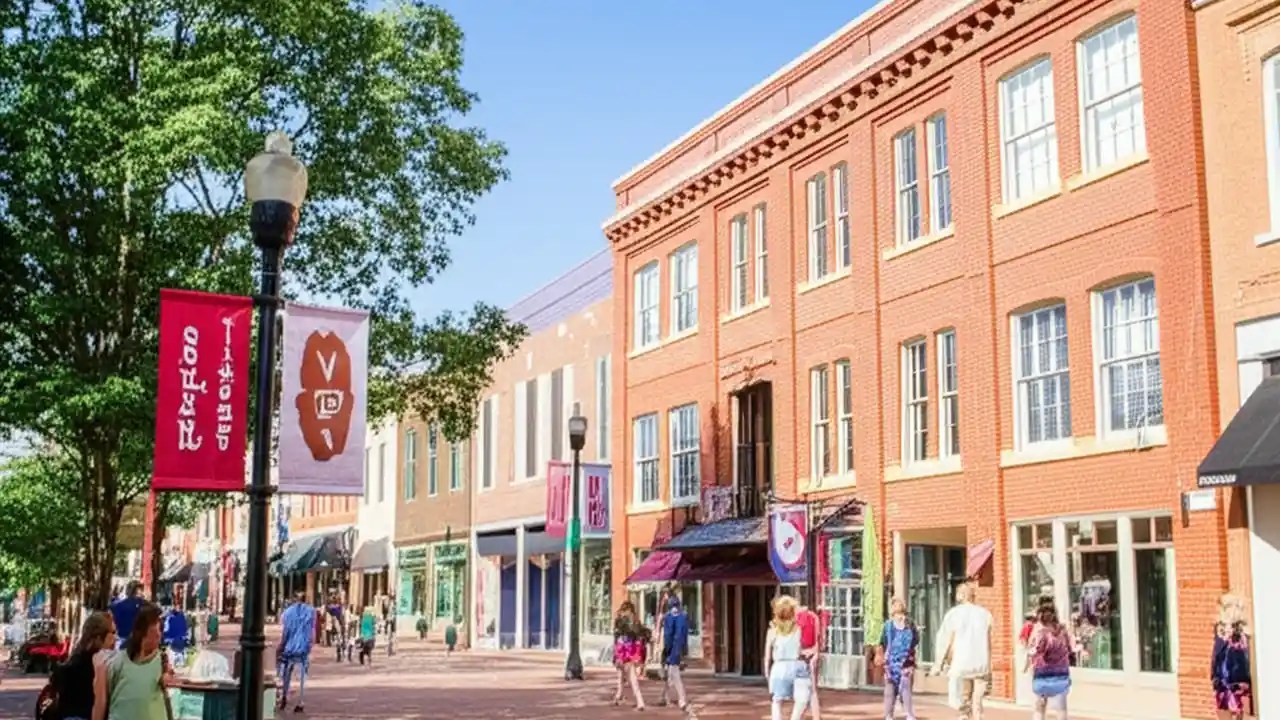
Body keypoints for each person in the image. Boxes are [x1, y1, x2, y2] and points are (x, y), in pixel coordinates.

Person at [93, 602, 175, 720]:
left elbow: (168, 678)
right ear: (142, 631)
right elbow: (101, 700)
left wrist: (167, 677)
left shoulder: (162, 660)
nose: (159, 634)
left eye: (159, 629)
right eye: (155, 628)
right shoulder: (117, 661)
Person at [931, 581, 993, 720]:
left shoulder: (953, 614)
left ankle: (964, 715)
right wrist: (990, 666)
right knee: (977, 703)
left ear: (961, 596)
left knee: (964, 701)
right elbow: (989, 642)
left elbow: (945, 639)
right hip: (981, 663)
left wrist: (938, 664)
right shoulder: (985, 614)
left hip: (961, 663)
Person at [46, 612, 116, 720]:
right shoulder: (101, 664)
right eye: (113, 632)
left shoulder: (72, 662)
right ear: (98, 637)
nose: (116, 637)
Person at [1025, 598, 1075, 720]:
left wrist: (1027, 664)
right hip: (1061, 672)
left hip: (1042, 672)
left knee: (1039, 707)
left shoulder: (1038, 630)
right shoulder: (1063, 630)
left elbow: (1033, 650)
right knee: (1061, 708)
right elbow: (1070, 648)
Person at [765, 595, 811, 720]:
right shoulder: (799, 629)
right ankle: (795, 718)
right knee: (802, 699)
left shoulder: (772, 631)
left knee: (776, 701)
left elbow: (767, 657)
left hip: (779, 668)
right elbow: (801, 648)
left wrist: (767, 674)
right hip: (797, 665)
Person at [1212, 595, 1252, 720]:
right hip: (1241, 677)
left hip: (1226, 678)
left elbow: (1217, 654)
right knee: (1238, 708)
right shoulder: (1244, 629)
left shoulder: (1222, 629)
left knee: (1225, 709)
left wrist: (1214, 675)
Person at [878, 597, 919, 720]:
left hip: (906, 662)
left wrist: (910, 654)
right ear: (892, 615)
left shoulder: (910, 625)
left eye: (902, 613)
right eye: (897, 614)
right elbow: (882, 642)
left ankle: (909, 714)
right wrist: (882, 656)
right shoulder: (888, 626)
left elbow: (916, 640)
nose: (900, 617)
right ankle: (888, 714)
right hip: (891, 661)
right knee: (890, 689)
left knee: (905, 687)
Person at [277, 589, 315, 713]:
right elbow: (312, 631)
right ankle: (301, 701)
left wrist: (281, 646)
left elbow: (285, 632)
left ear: (293, 599)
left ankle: (284, 695)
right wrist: (310, 645)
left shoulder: (287, 613)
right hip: (303, 647)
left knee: (285, 671)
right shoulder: (311, 612)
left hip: (289, 647)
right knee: (302, 675)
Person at [659, 595, 693, 716]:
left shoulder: (668, 618)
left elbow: (667, 636)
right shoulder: (683, 617)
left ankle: (682, 699)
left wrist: (666, 651)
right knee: (670, 674)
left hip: (673, 649)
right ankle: (664, 697)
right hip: (679, 648)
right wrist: (684, 650)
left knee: (674, 674)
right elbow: (685, 635)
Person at [611, 601, 647, 710]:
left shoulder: (622, 621)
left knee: (627, 677)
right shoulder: (635, 622)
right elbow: (641, 637)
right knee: (622, 676)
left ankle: (640, 702)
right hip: (628, 651)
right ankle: (618, 696)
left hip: (623, 651)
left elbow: (617, 637)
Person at [796, 601, 823, 720]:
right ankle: (816, 716)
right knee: (812, 690)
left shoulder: (796, 619)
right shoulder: (814, 617)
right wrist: (815, 653)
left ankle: (799, 716)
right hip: (810, 654)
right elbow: (818, 639)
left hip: (800, 657)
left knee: (802, 691)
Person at [108, 582, 144, 651]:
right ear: (137, 591)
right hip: (135, 640)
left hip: (120, 640)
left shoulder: (116, 605)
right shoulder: (141, 604)